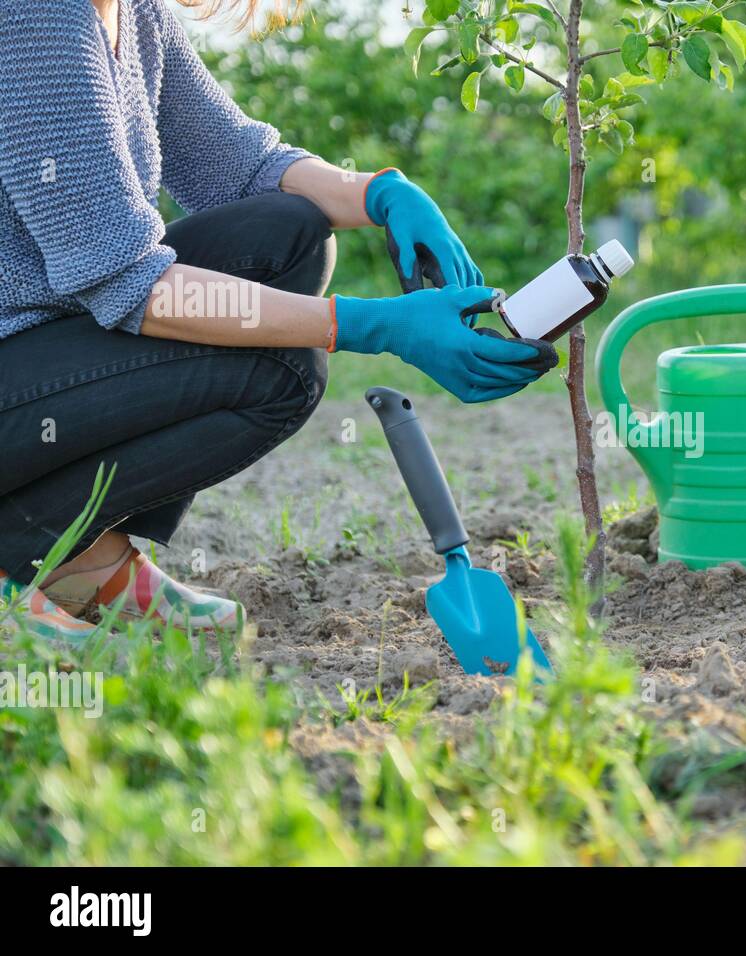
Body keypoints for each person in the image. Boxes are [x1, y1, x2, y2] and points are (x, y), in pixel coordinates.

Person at [0, 0, 554, 640]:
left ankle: (74, 556)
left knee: (288, 232)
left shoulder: (135, 14)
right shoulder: (36, 14)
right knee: (282, 374)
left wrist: (380, 191)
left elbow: (243, 167)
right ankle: (34, 547)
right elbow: (132, 284)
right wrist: (373, 325)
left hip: (38, 348)